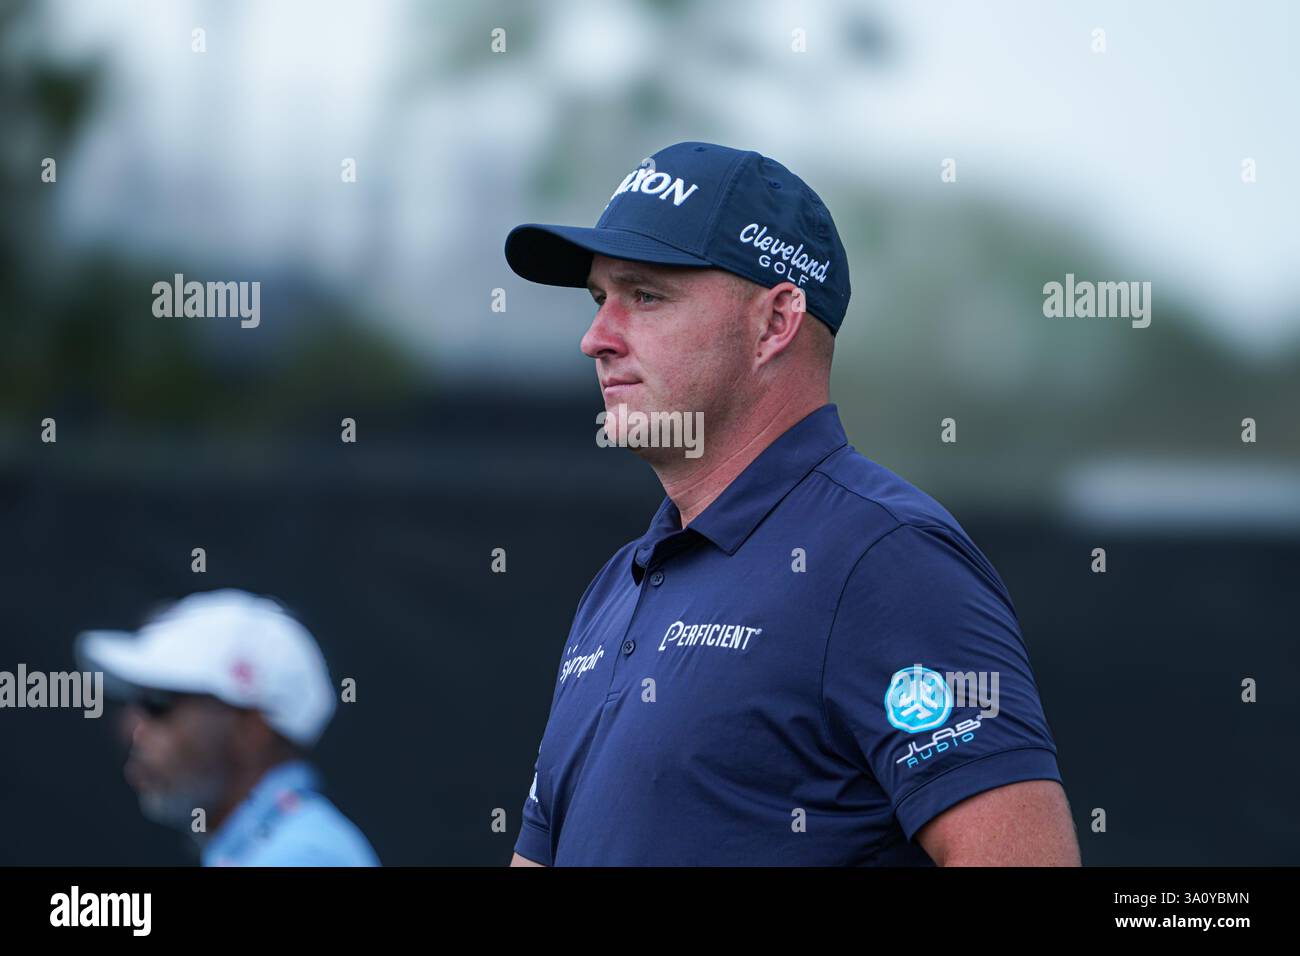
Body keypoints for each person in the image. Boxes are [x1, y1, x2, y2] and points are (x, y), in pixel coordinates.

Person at [501, 141, 1080, 866]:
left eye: (645, 296)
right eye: (598, 299)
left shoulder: (889, 560)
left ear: (775, 323)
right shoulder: (618, 586)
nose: (595, 338)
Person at [76, 589, 379, 866]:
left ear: (251, 730)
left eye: (158, 704)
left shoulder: (304, 857)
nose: (134, 729)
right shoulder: (274, 847)